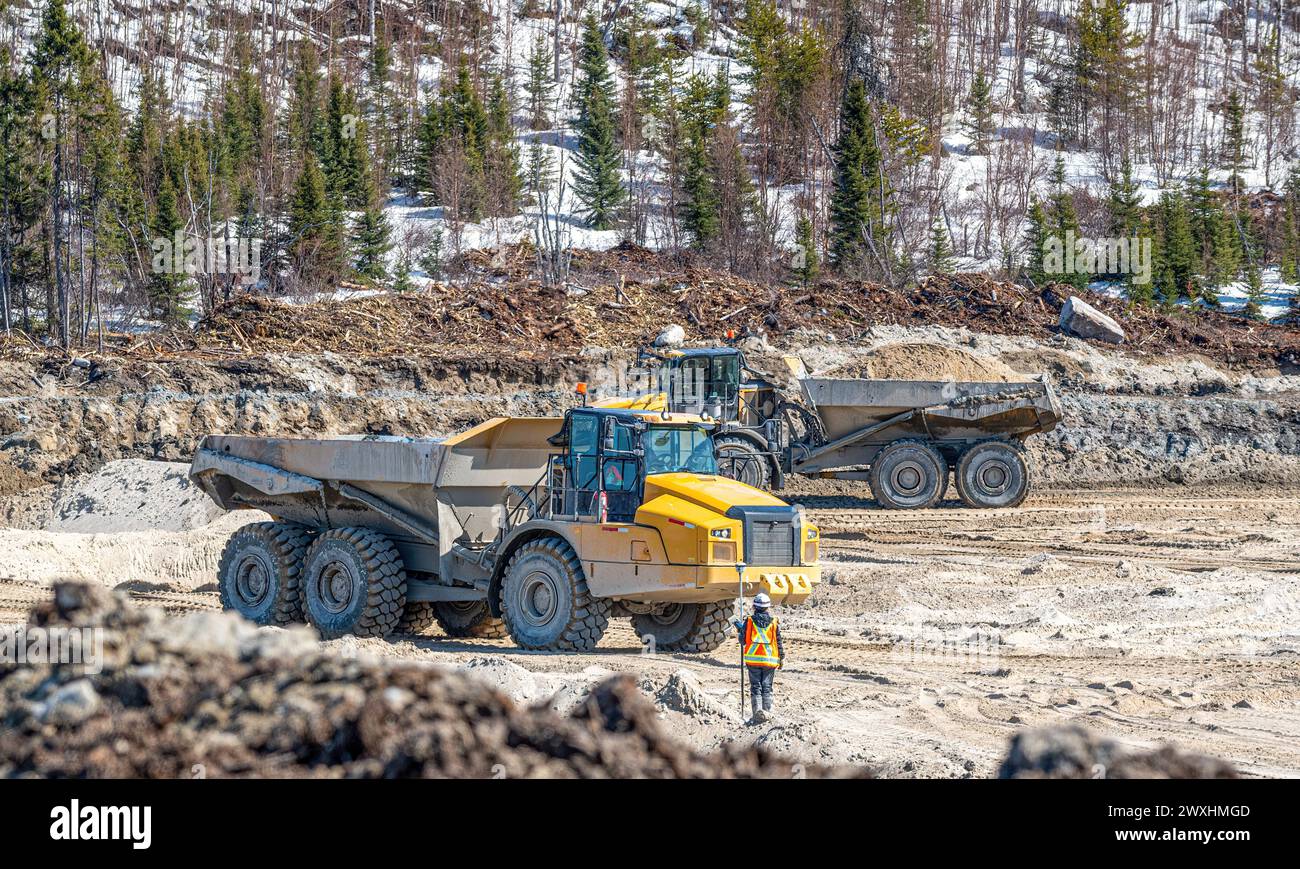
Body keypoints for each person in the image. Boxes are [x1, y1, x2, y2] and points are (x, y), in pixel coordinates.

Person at [733, 592, 783, 723]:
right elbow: (778, 642)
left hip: (753, 660)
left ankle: (757, 714)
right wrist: (781, 658)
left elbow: (743, 641)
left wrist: (741, 630)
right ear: (768, 607)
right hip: (769, 660)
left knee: (756, 687)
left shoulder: (749, 621)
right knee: (767, 686)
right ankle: (767, 713)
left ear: (754, 607)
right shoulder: (774, 622)